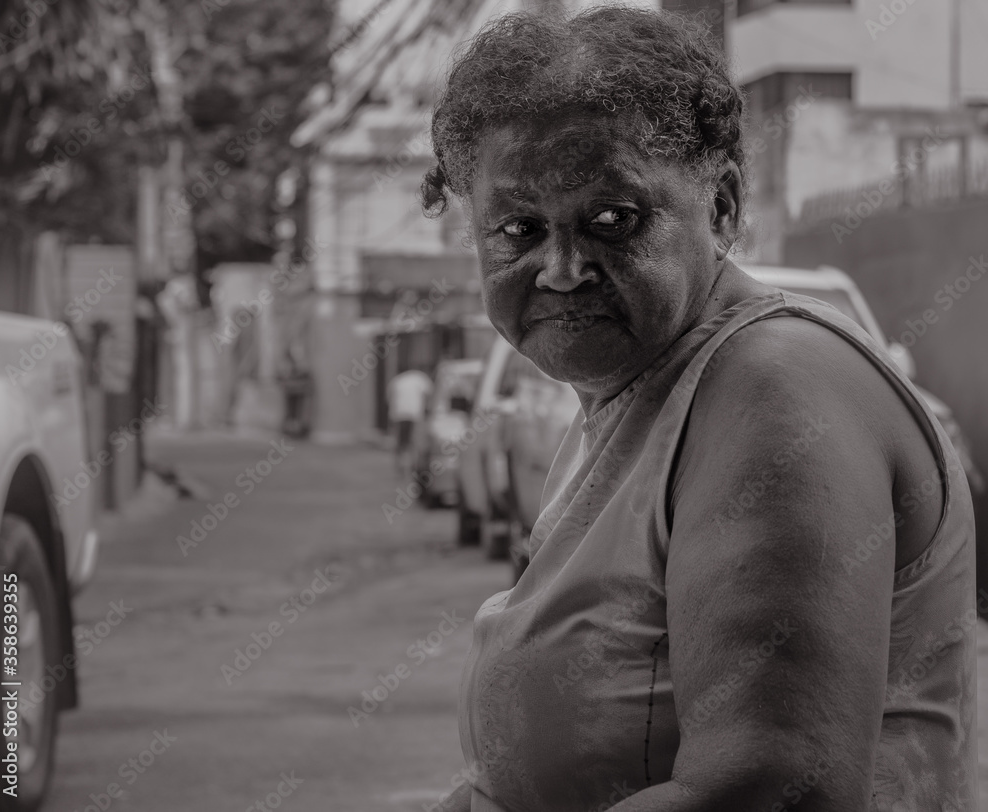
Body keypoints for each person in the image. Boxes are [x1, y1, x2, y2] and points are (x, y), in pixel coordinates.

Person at [419, 7, 977, 812]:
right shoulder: (630, 394)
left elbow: (767, 792)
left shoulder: (775, 386)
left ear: (721, 206)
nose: (563, 267)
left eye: (613, 220)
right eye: (518, 228)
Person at [387, 366, 433, 475]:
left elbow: (388, 397)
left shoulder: (397, 380)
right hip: (415, 413)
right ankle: (413, 466)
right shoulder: (421, 378)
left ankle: (400, 465)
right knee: (414, 441)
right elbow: (430, 395)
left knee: (400, 441)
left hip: (398, 413)